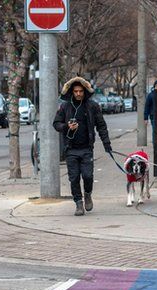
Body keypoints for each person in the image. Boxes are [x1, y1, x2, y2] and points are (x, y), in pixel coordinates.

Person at [53, 76, 112, 217]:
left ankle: (87, 194)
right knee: (73, 178)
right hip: (71, 149)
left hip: (86, 148)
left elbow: (101, 126)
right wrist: (67, 126)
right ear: (72, 92)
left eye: (80, 91)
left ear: (84, 91)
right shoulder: (65, 107)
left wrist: (107, 144)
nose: (78, 94)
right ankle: (78, 203)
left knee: (87, 176)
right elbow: (56, 123)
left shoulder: (92, 106)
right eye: (75, 91)